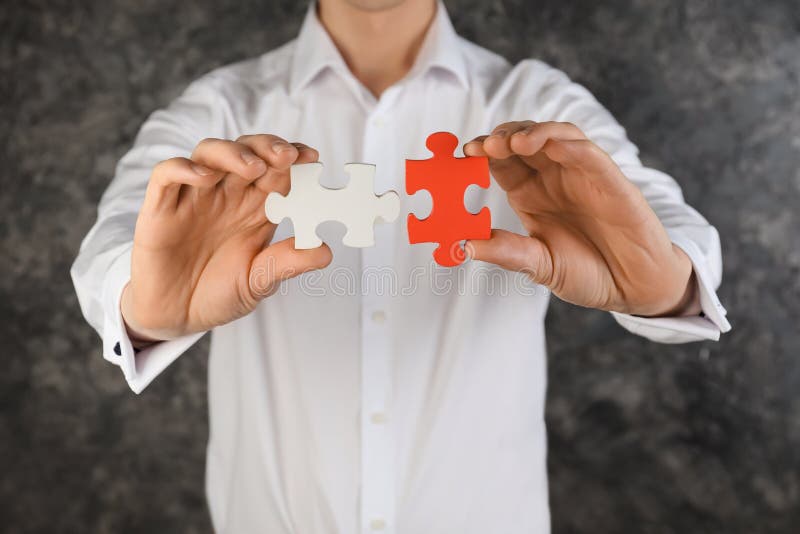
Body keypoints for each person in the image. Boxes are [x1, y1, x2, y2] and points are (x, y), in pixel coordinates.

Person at [71, 0, 731, 532]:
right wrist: (145, 306)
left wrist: (665, 285)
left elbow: (672, 235)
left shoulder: (537, 105)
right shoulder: (222, 111)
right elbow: (112, 251)